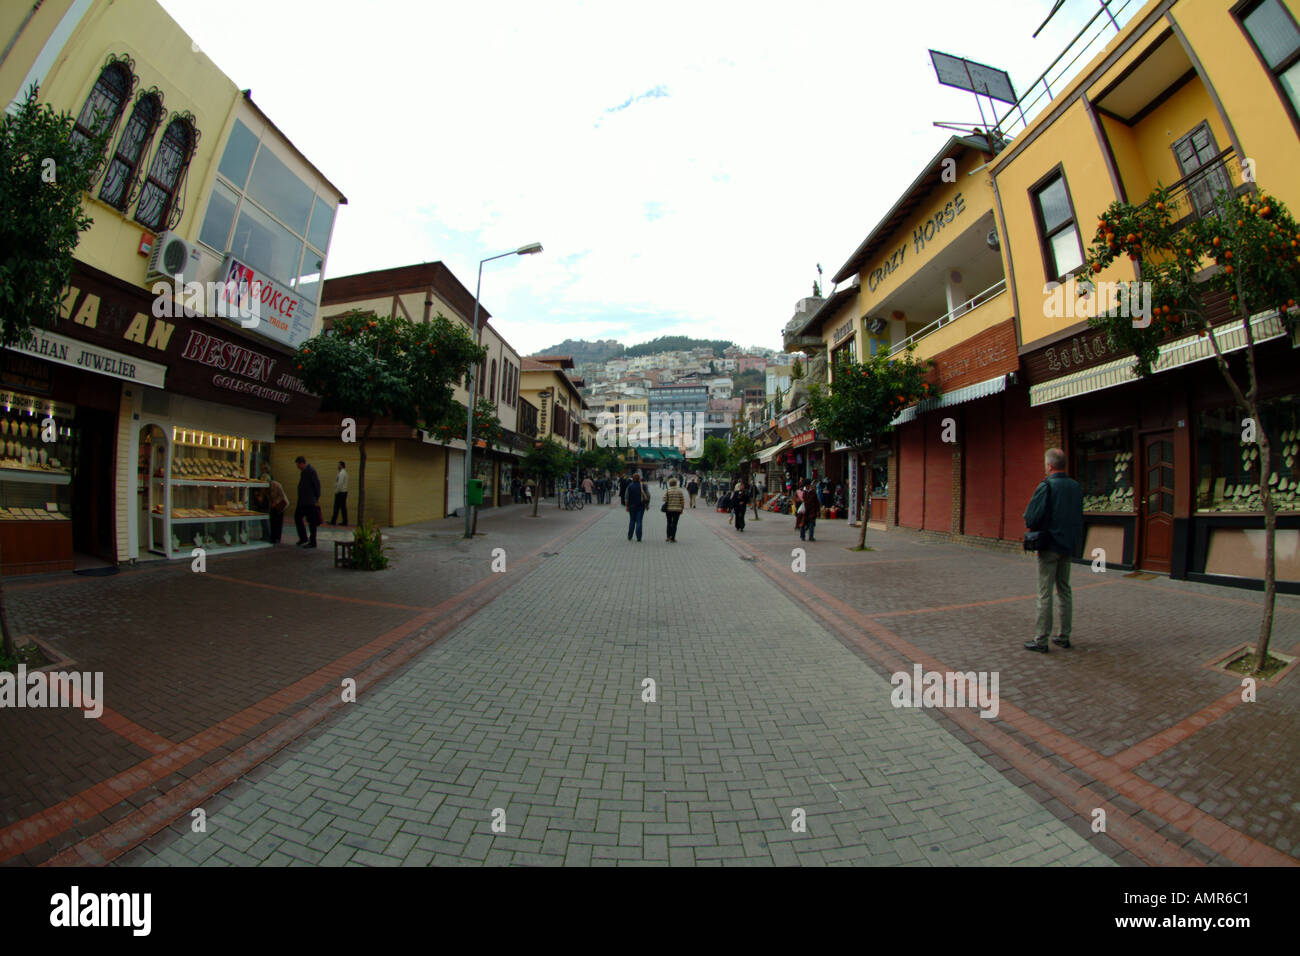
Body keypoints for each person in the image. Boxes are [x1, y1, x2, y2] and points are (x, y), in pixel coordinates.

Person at [1022, 447, 1084, 653]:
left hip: (1049, 545)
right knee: (1065, 590)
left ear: (1049, 466)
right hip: (1068, 545)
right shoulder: (1076, 486)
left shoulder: (1046, 486)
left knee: (1045, 592)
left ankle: (1041, 639)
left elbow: (1031, 516)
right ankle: (1064, 635)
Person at [294, 455, 322, 548]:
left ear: (302, 463)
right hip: (303, 501)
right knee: (298, 517)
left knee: (311, 521)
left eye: (298, 465)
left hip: (309, 502)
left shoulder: (310, 471)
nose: (297, 467)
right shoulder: (305, 472)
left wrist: (316, 498)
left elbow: (317, 485)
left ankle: (312, 541)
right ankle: (304, 538)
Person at [261, 470, 287, 544]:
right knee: (272, 521)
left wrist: (276, 502)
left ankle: (277, 538)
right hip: (272, 505)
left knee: (278, 522)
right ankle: (272, 537)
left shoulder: (276, 485)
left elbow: (282, 495)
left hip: (280, 505)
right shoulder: (265, 488)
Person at [626, 472, 649, 542]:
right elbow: (648, 495)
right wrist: (647, 505)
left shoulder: (630, 486)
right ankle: (639, 538)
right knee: (639, 521)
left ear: (633, 478)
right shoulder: (643, 486)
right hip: (641, 506)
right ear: (639, 479)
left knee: (632, 520)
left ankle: (630, 536)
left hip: (631, 506)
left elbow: (626, 497)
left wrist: (627, 506)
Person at [663, 477, 686, 542]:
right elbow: (682, 500)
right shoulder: (679, 491)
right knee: (675, 524)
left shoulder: (668, 490)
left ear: (670, 483)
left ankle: (668, 537)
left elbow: (664, 499)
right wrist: (682, 508)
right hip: (677, 510)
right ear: (676, 483)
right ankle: (673, 538)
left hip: (669, 509)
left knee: (669, 523)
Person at [330, 460, 348, 526]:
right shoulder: (342, 473)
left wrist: (336, 491)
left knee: (337, 507)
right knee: (341, 507)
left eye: (338, 465)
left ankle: (335, 521)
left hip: (341, 492)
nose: (337, 466)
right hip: (343, 492)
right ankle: (342, 521)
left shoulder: (342, 473)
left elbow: (340, 483)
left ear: (341, 465)